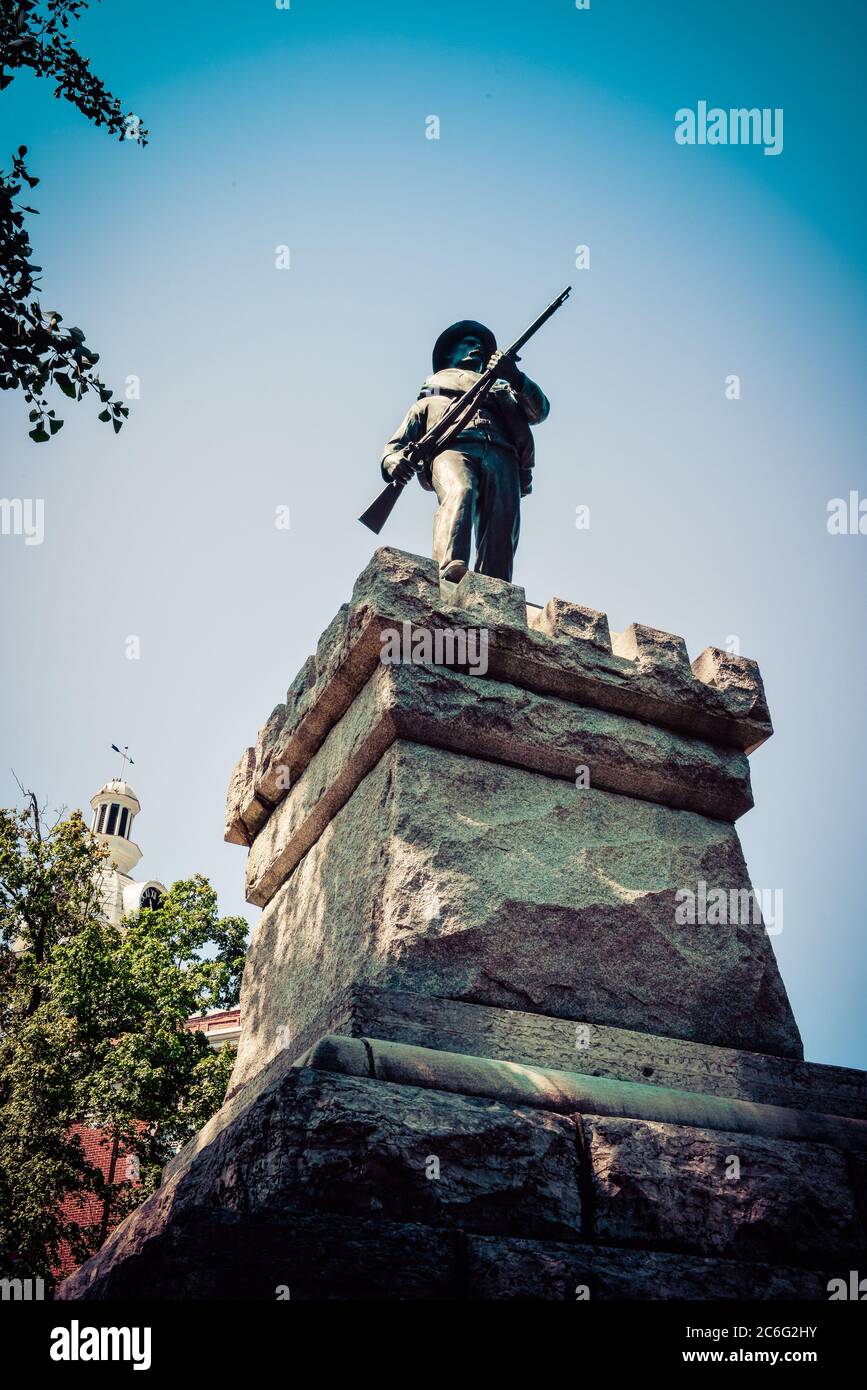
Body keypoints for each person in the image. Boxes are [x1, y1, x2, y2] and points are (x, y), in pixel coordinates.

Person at [381, 319, 550, 583]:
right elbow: (394, 446)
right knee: (461, 490)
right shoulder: (430, 401)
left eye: (481, 346)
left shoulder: (503, 391)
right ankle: (450, 568)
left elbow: (539, 412)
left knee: (503, 518)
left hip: (503, 454)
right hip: (452, 451)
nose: (478, 349)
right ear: (450, 353)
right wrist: (394, 462)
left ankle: (495, 586)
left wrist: (514, 376)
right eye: (469, 343)